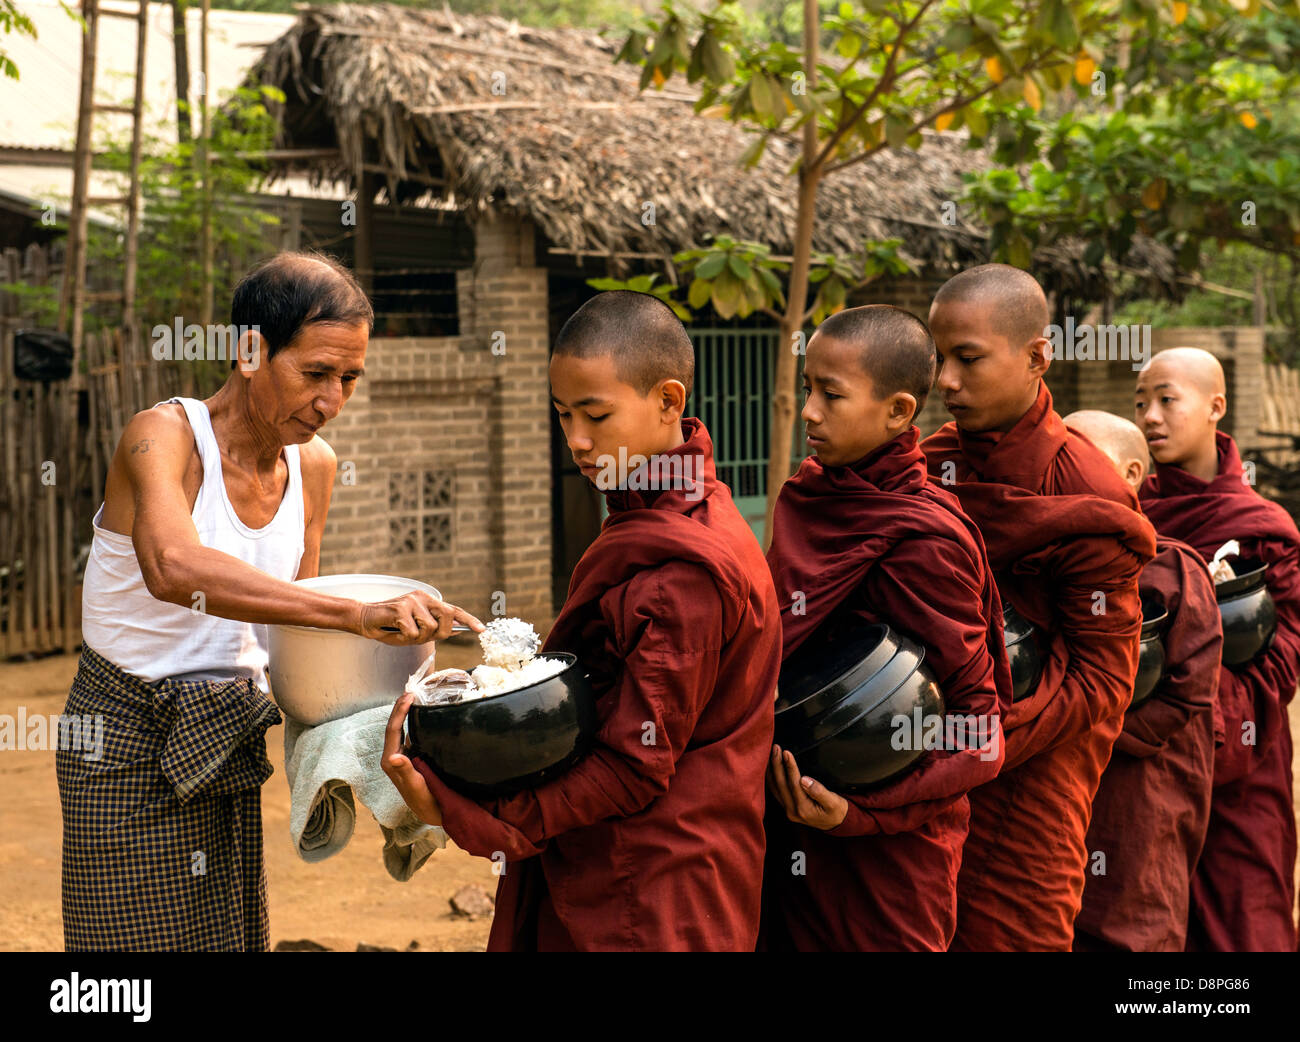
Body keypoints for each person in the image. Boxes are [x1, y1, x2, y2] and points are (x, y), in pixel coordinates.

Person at [56, 251, 482, 952]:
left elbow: (293, 624)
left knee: (224, 938)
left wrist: (402, 688)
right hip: (125, 738)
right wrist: (355, 614)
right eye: (315, 373)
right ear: (249, 351)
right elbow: (171, 567)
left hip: (224, 735)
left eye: (349, 378)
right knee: (123, 953)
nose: (332, 400)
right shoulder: (163, 437)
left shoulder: (314, 468)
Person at [383, 291, 783, 951]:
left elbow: (634, 766)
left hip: (650, 890)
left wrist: (474, 813)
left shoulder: (684, 570)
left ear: (668, 401)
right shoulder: (670, 517)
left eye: (596, 414)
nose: (577, 440)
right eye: (564, 414)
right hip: (627, 865)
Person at [920, 264, 1156, 951]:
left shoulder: (1085, 489)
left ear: (1036, 357)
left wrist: (973, 751)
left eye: (968, 359)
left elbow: (1105, 680)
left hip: (1029, 780)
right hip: (919, 767)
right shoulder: (926, 467)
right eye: (940, 359)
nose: (946, 382)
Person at [761, 305, 1010, 951]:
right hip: (791, 824)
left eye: (831, 395)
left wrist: (858, 815)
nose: (809, 411)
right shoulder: (811, 497)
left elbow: (980, 730)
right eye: (808, 387)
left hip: (889, 856)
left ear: (899, 411)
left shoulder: (924, 538)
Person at [1135, 347, 1300, 951]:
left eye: (1166, 400)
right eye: (1141, 403)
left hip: (1243, 759)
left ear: (1215, 407)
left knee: (1244, 917)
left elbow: (1286, 656)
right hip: (1149, 762)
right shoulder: (1132, 517)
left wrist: (1207, 714)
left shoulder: (1262, 524)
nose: (1151, 416)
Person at [1064, 410, 1221, 951]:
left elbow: (1189, 693)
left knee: (1134, 929)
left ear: (1131, 474)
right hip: (1057, 798)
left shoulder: (1173, 570)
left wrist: (1084, 725)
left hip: (1139, 800)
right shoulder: (1041, 564)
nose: (1062, 478)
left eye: (1081, 460)